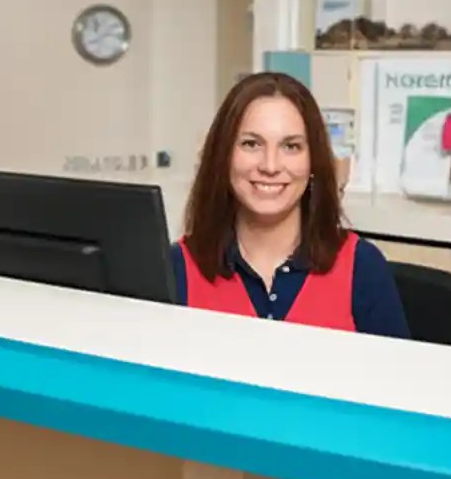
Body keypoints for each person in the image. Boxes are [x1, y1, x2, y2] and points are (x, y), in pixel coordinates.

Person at [171, 72, 410, 338]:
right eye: (251, 144)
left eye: (291, 146)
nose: (270, 166)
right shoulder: (176, 266)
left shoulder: (363, 267)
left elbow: (396, 378)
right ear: (223, 156)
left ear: (312, 162)